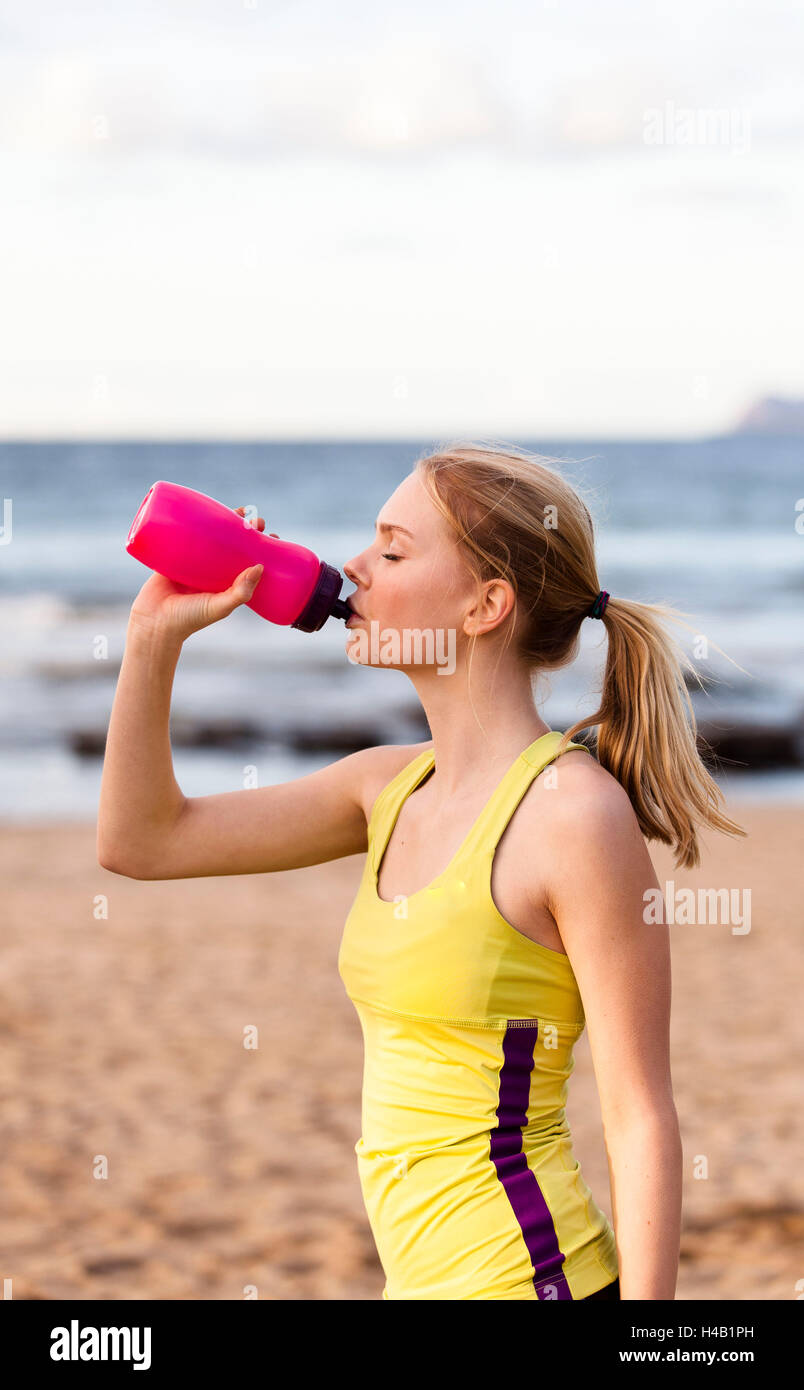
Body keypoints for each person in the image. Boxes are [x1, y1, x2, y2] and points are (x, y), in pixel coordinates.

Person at [98, 439, 746, 1300]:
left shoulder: (572, 817)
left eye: (393, 549)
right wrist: (153, 638)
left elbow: (639, 1113)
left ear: (486, 604)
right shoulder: (384, 789)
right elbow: (143, 841)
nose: (354, 568)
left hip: (535, 1283)